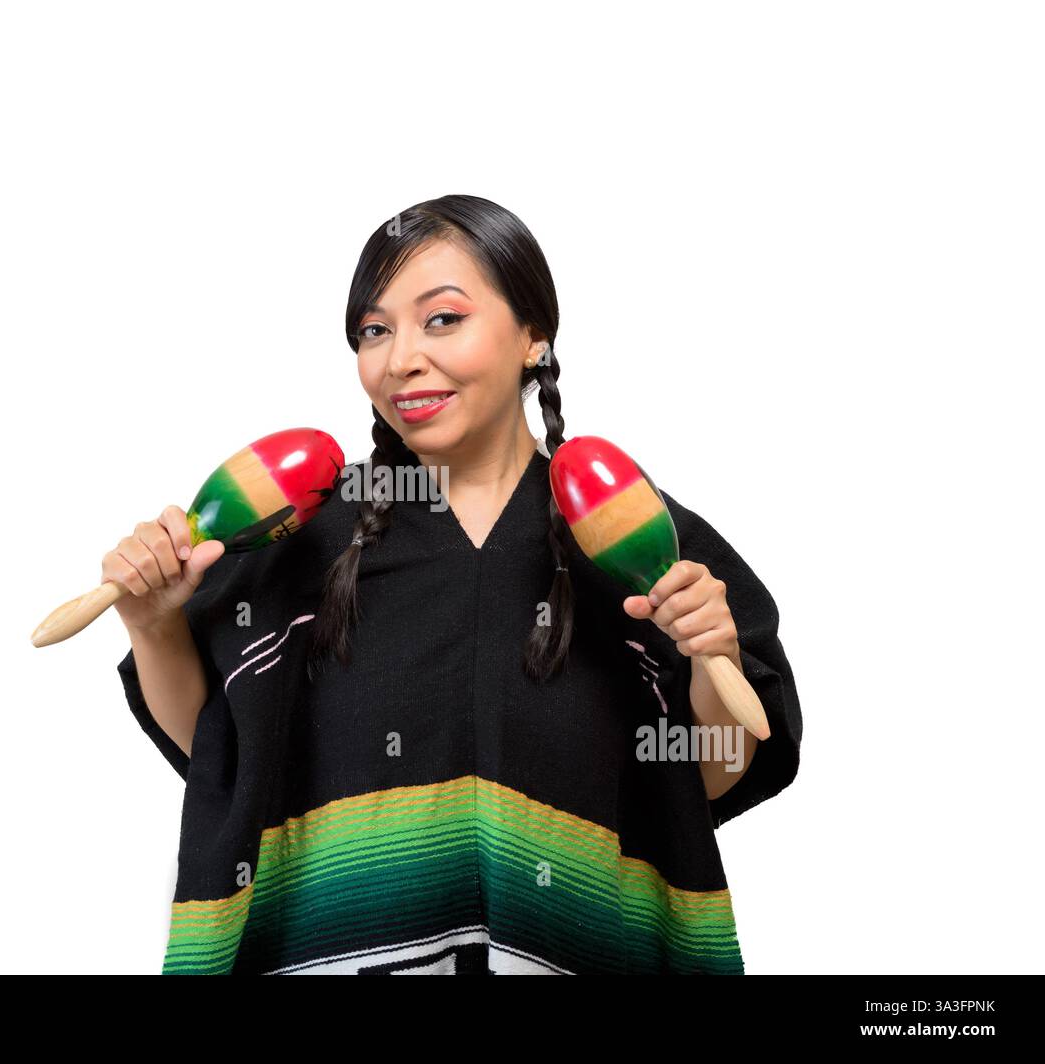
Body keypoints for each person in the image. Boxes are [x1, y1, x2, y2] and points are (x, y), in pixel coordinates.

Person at [108, 194, 802, 974]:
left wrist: (714, 656)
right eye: (374, 331)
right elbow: (218, 749)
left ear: (534, 337)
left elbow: (701, 778)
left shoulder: (631, 535)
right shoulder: (304, 537)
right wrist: (153, 623)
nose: (400, 359)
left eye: (443, 319)